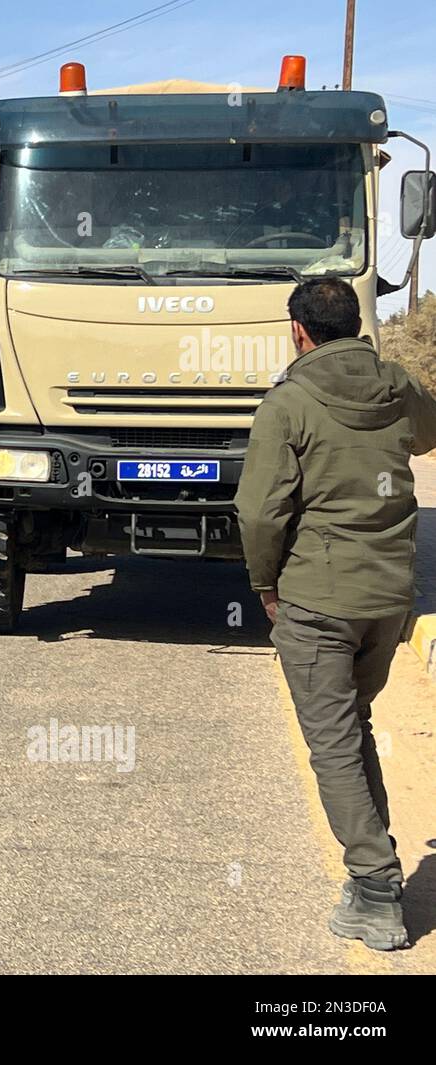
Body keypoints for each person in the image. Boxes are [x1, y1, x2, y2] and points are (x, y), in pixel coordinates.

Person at [235, 277, 436, 952]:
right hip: (387, 599)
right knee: (354, 724)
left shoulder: (288, 402)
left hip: (318, 600)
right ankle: (374, 861)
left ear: (298, 330)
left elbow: (260, 510)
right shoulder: (394, 386)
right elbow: (428, 432)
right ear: (355, 324)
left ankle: (376, 888)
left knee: (333, 742)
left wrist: (265, 583)